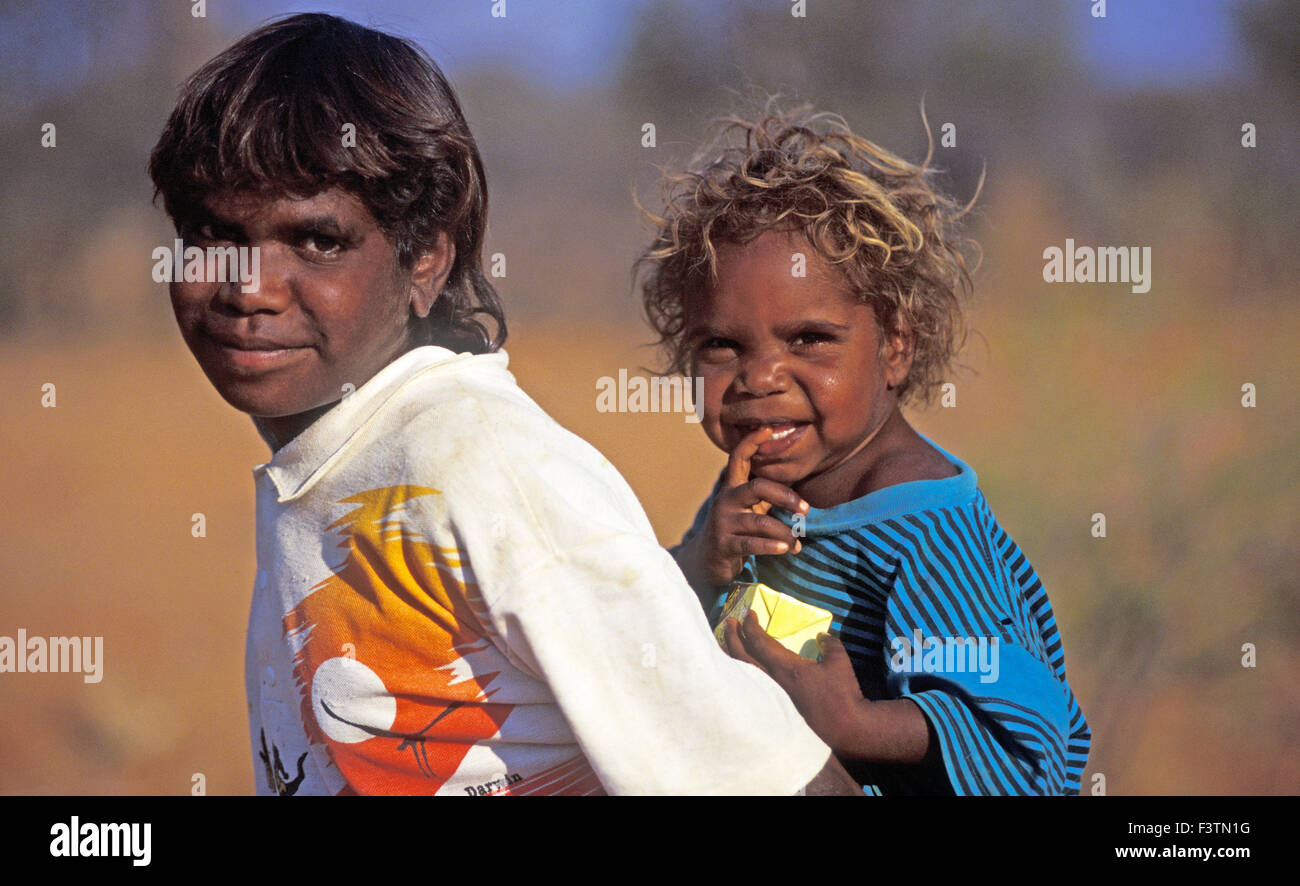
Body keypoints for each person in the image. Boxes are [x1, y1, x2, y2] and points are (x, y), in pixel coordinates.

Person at [148, 14, 857, 796]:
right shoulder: (334, 464)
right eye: (214, 233)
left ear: (426, 259)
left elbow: (768, 778)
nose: (248, 287)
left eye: (317, 242)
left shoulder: (479, 465)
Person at [637, 103, 1091, 794]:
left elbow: (1026, 738)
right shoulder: (749, 496)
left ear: (896, 347)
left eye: (809, 340)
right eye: (721, 345)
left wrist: (854, 725)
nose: (759, 377)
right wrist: (702, 563)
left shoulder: (919, 529)